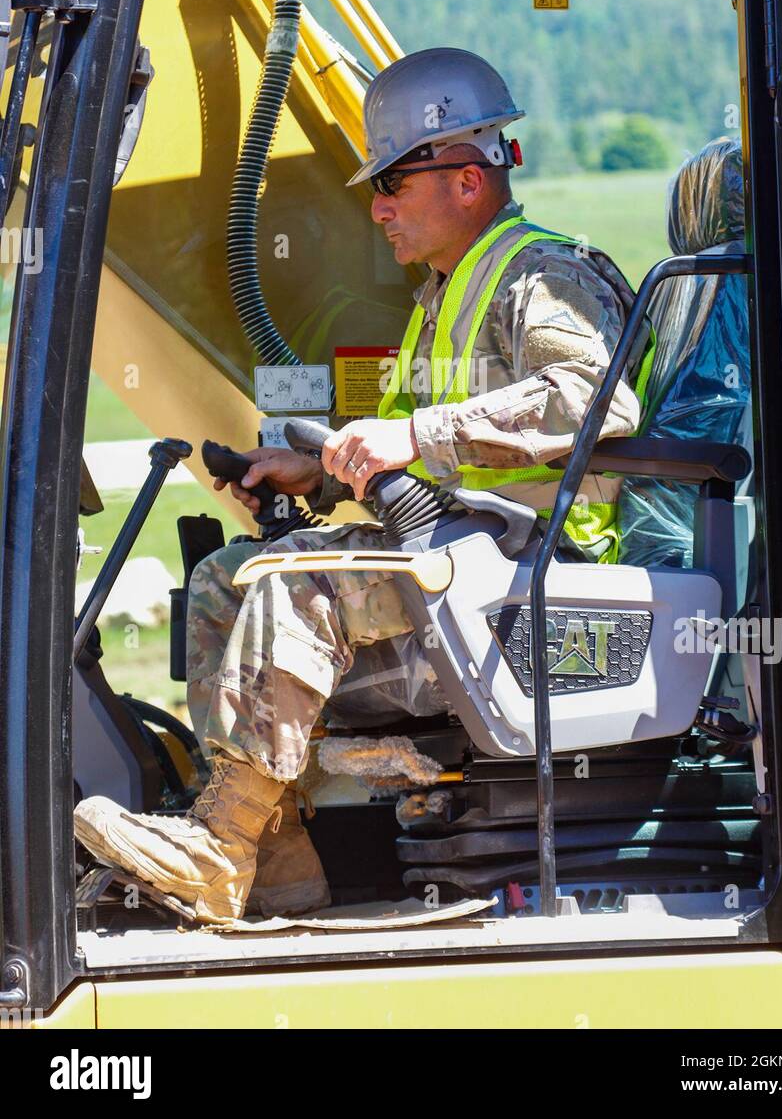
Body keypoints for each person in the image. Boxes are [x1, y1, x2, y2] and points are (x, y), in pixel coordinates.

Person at [74, 47, 651, 924]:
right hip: (457, 555)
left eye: (393, 185)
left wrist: (414, 433)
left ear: (466, 177)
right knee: (225, 580)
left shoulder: (545, 276)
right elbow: (400, 451)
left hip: (533, 564)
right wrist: (314, 469)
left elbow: (594, 401)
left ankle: (220, 846)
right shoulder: (440, 298)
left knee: (294, 581)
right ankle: (274, 863)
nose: (377, 209)